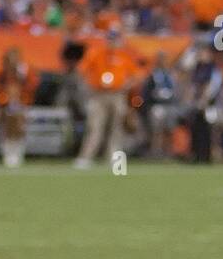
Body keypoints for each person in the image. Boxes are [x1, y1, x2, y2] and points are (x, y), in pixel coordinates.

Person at [75, 27, 138, 167]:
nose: (113, 42)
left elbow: (135, 76)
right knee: (95, 126)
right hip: (98, 94)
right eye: (111, 39)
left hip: (117, 94)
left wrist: (125, 85)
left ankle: (115, 160)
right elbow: (81, 70)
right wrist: (89, 85)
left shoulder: (124, 55)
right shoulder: (96, 53)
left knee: (117, 128)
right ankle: (86, 157)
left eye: (115, 39)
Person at [140, 50, 178, 159]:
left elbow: (176, 89)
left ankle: (168, 153)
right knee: (156, 130)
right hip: (157, 104)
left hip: (169, 104)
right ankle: (155, 152)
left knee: (169, 129)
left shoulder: (171, 74)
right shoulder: (153, 74)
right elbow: (147, 91)